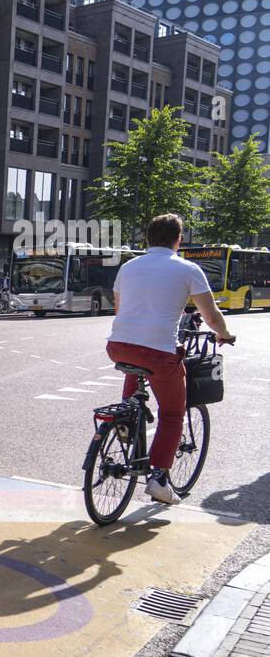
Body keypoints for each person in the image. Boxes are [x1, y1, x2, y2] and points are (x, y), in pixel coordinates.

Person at [107, 213, 234, 505]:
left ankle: (127, 414)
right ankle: (160, 478)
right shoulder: (188, 269)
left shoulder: (128, 267)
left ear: (148, 239)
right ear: (178, 240)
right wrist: (224, 334)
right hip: (159, 352)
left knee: (137, 362)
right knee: (173, 413)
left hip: (118, 344)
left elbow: (120, 308)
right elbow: (212, 316)